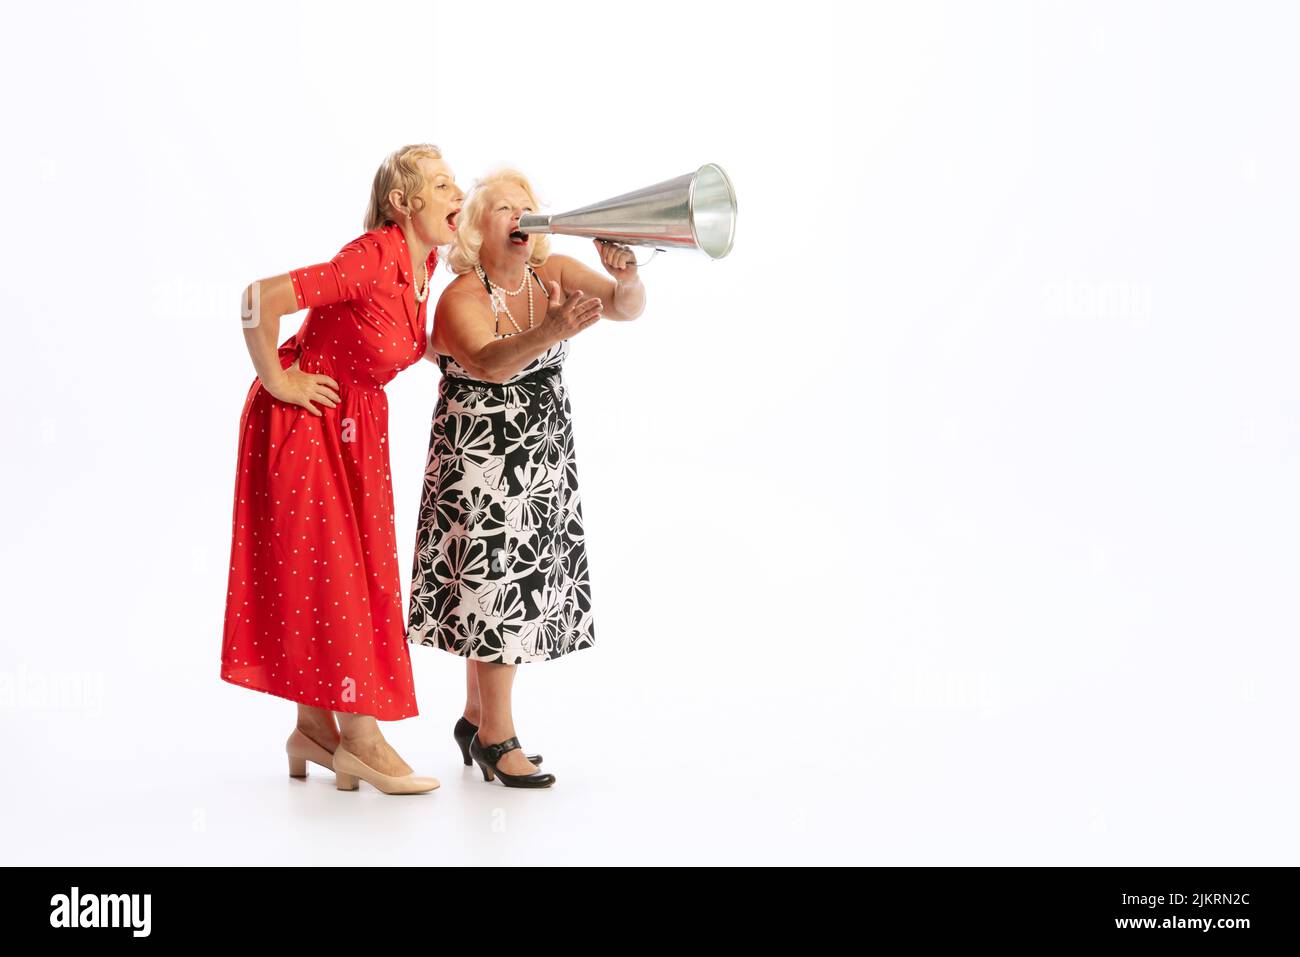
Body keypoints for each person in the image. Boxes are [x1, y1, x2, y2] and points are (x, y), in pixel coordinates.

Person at [221, 144, 465, 795]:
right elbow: (258, 299)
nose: (457, 194)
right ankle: (359, 738)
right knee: (342, 576)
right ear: (402, 202)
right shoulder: (371, 257)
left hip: (356, 431)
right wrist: (279, 377)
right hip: (305, 423)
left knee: (338, 570)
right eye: (443, 185)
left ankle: (316, 731)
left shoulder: (426, 265)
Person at [407, 168, 646, 788]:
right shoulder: (461, 294)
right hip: (479, 457)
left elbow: (625, 308)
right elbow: (488, 362)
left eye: (527, 206)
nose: (520, 215)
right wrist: (551, 331)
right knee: (492, 588)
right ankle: (496, 738)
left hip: (539, 457)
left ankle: (473, 719)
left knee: (509, 583)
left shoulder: (556, 272)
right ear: (475, 228)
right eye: (503, 207)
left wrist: (627, 274)